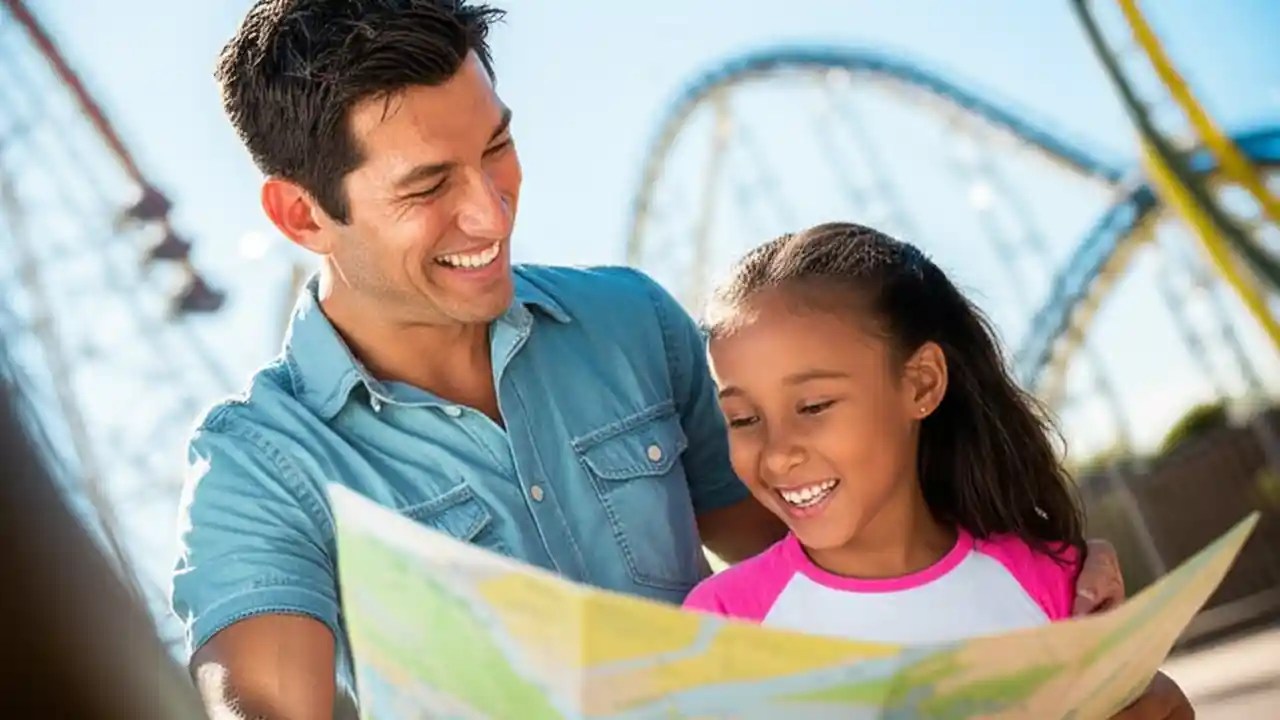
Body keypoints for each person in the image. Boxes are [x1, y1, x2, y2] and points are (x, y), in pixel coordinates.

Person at [172, 2, 1156, 718]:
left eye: (498, 148)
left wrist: (1029, 591)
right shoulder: (260, 467)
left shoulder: (627, 321)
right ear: (301, 213)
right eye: (429, 184)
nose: (489, 210)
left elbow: (824, 552)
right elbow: (261, 700)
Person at [683, 222, 1192, 718]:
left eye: (814, 406)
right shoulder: (723, 627)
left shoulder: (1056, 583)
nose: (776, 454)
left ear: (922, 385)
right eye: (743, 419)